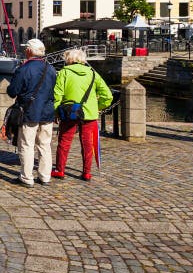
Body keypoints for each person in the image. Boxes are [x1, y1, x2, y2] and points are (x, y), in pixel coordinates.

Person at [52, 49, 113, 181]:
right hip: (89, 114)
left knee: (64, 142)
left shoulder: (63, 73)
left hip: (69, 113)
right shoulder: (92, 73)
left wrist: (57, 112)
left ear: (68, 59)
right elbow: (107, 96)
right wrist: (98, 106)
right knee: (87, 144)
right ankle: (86, 173)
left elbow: (57, 95)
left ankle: (59, 170)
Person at [7, 38, 57, 188]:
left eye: (25, 49)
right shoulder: (51, 68)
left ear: (29, 51)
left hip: (29, 111)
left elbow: (12, 91)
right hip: (47, 112)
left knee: (27, 145)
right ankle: (45, 176)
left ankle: (27, 177)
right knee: (45, 145)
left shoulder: (24, 69)